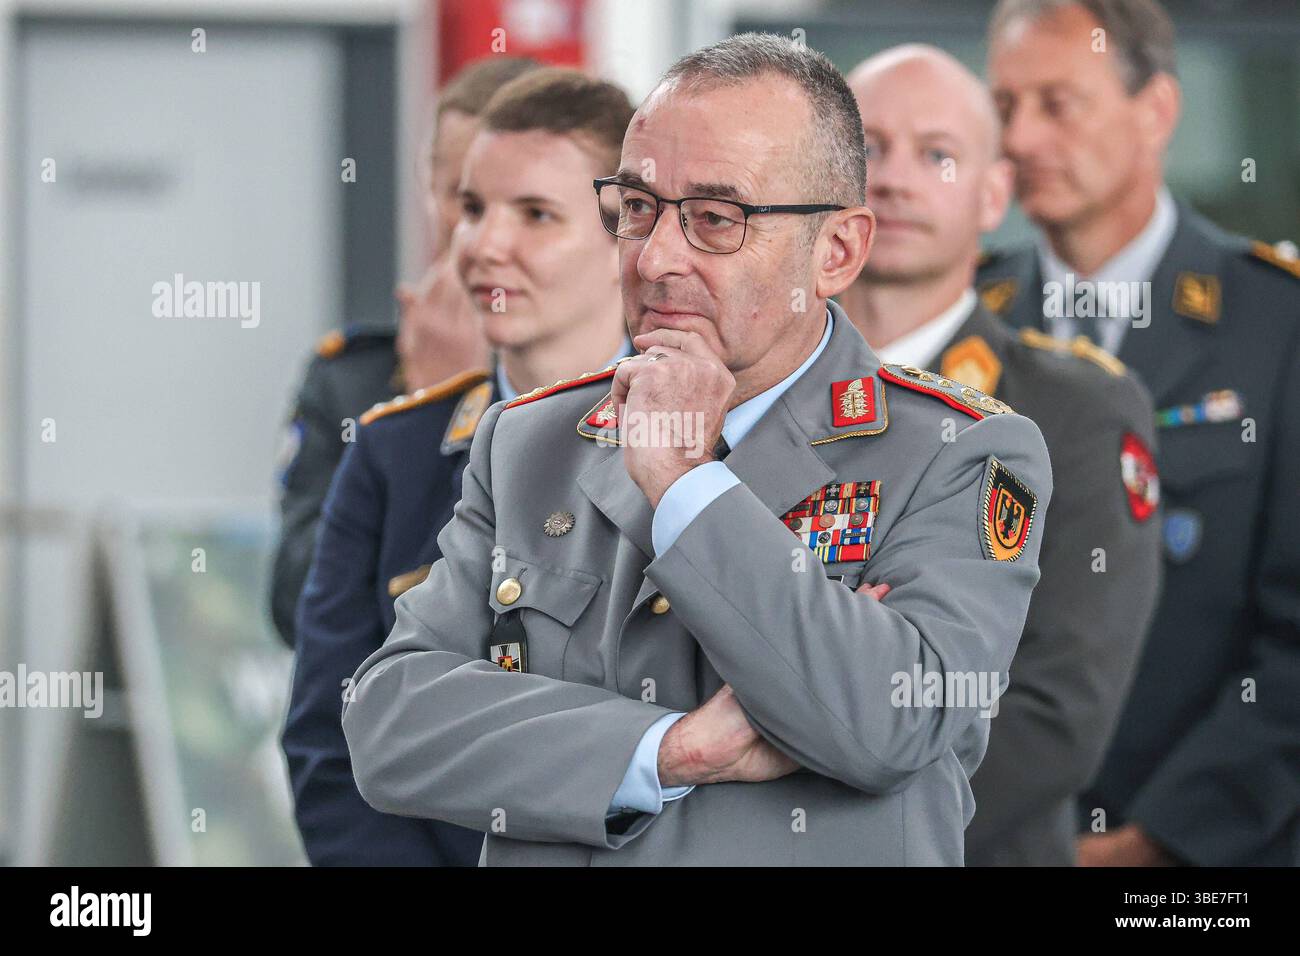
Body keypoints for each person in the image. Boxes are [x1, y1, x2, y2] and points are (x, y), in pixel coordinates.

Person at [340, 33, 1053, 866]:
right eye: (637, 207)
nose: (657, 256)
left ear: (837, 252)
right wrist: (668, 750)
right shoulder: (530, 439)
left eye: (716, 219)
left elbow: (886, 723)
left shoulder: (955, 451)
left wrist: (684, 482)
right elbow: (389, 722)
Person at [281, 69, 635, 866]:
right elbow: (329, 742)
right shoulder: (394, 452)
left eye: (536, 214)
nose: (483, 245)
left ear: (630, 239)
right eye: (471, 208)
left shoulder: (707, 433)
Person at [980, 0, 1300, 864]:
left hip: (1205, 855)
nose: (1023, 139)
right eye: (1005, 107)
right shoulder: (968, 320)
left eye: (1059, 103)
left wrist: (1159, 842)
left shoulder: (1277, 324)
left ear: (1156, 110)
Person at [839, 45, 1162, 866]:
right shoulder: (747, 388)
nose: (895, 179)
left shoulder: (1074, 412)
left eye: (937, 154)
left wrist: (817, 834)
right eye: (868, 149)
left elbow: (1057, 713)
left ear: (994, 196)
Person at [268, 56, 539, 649]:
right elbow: (297, 603)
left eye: (527, 205)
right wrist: (430, 410)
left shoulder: (619, 374)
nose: (494, 235)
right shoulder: (353, 379)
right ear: (428, 192)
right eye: (468, 201)